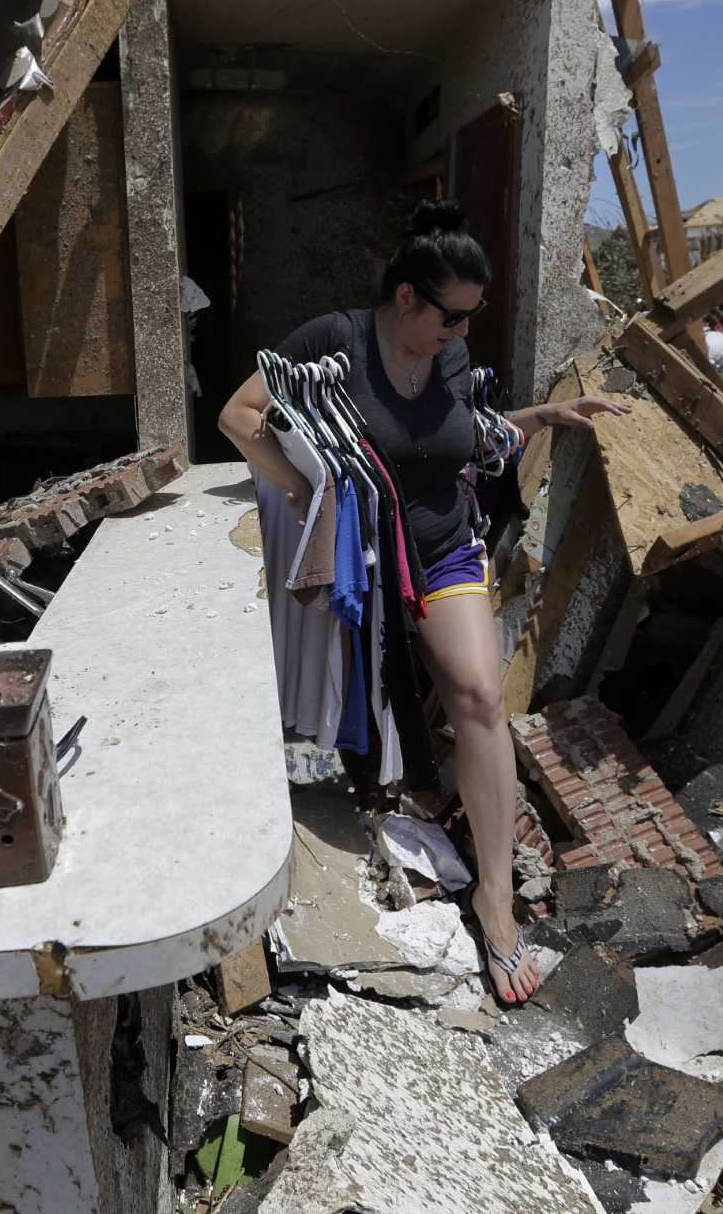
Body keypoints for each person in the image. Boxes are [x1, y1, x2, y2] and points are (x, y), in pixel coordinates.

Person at [218, 200, 629, 1005]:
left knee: (479, 695)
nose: (463, 331)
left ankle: (497, 902)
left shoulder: (447, 358)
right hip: (361, 562)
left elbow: (459, 436)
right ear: (406, 296)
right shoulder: (331, 341)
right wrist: (309, 489)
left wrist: (541, 416)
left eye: (472, 316)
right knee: (355, 714)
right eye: (451, 314)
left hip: (441, 546)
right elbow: (238, 415)